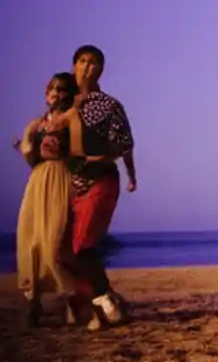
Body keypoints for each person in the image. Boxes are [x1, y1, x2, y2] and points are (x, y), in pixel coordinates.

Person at [63, 45, 135, 326]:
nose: (87, 67)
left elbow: (125, 143)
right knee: (65, 247)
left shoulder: (109, 105)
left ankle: (105, 300)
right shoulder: (64, 103)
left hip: (101, 178)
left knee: (83, 243)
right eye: (82, 61)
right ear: (73, 66)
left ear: (101, 69)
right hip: (70, 183)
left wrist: (104, 160)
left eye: (93, 63)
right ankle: (99, 302)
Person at [14, 73, 90, 328]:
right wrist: (26, 147)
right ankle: (32, 299)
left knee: (57, 241)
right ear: (46, 94)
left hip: (62, 178)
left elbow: (79, 154)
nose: (56, 94)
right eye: (52, 90)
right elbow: (28, 154)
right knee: (31, 240)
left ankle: (72, 300)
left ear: (70, 95)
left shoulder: (72, 121)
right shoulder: (35, 124)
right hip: (38, 181)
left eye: (62, 90)